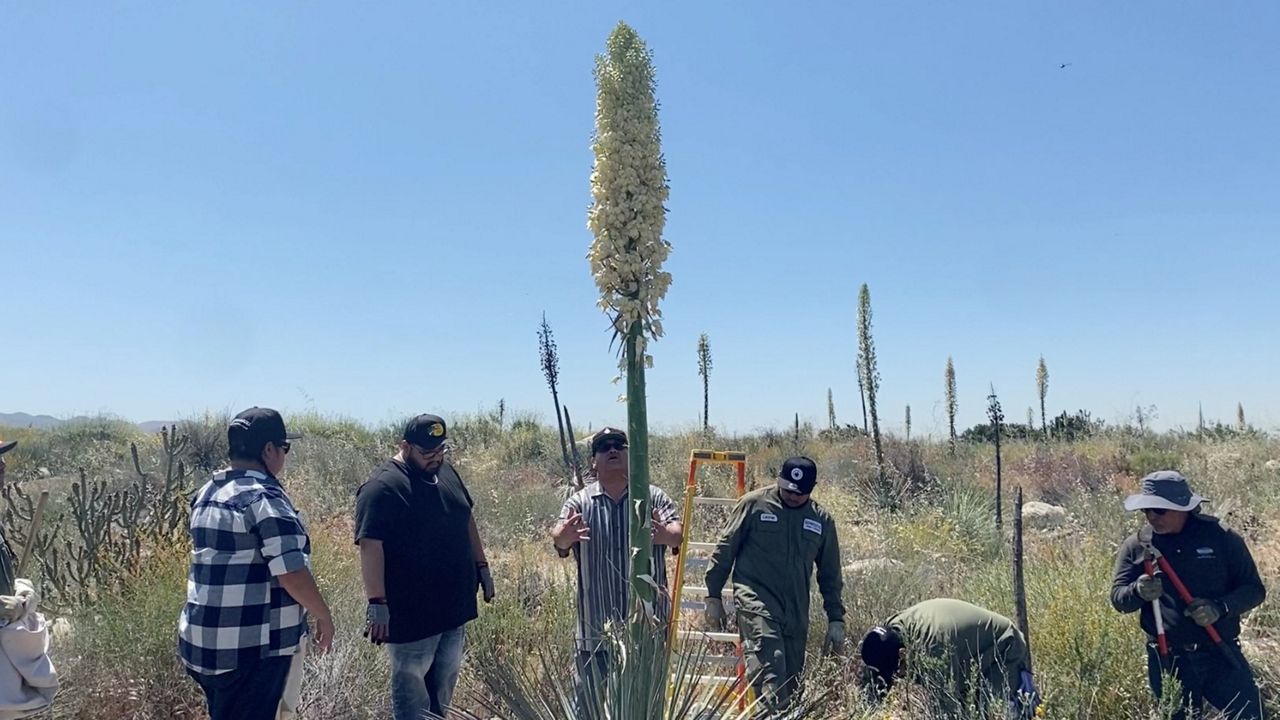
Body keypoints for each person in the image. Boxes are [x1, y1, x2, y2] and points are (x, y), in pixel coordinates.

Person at [178, 407, 334, 720]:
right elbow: (290, 572)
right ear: (268, 450)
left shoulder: (207, 493)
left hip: (204, 645)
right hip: (250, 652)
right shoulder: (264, 498)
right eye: (284, 447)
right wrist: (324, 615)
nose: (285, 455)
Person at [355, 413, 495, 720]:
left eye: (441, 450)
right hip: (412, 617)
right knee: (412, 699)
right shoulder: (383, 487)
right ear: (405, 446)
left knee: (441, 694)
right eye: (427, 452)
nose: (436, 458)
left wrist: (481, 565)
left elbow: (466, 516)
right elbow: (370, 545)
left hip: (454, 609)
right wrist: (377, 602)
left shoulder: (446, 472)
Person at [1111, 470, 1266, 720]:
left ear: (1183, 507)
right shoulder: (1138, 545)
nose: (1152, 517)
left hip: (1220, 654)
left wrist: (1220, 608)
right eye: (1146, 510)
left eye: (1159, 510)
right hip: (1168, 659)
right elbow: (1119, 599)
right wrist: (1137, 590)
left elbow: (1254, 589)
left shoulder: (1221, 537)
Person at [550, 427, 682, 710]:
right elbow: (559, 538)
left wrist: (665, 535)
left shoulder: (653, 498)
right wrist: (563, 536)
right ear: (593, 462)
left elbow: (676, 534)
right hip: (594, 628)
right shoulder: (579, 503)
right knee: (587, 707)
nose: (612, 450)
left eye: (619, 445)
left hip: (647, 628)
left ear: (630, 455)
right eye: (604, 447)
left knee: (645, 707)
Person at [703, 456, 845, 714]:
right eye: (787, 488)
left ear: (811, 489)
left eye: (799, 493)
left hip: (795, 612)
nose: (791, 496)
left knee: (791, 686)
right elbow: (725, 549)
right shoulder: (754, 505)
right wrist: (713, 596)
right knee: (771, 674)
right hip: (756, 601)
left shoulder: (821, 520)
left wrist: (836, 619)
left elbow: (831, 574)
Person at [859, 598, 1039, 718]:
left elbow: (947, 710)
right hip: (966, 654)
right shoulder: (890, 631)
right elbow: (873, 687)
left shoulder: (934, 648)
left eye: (897, 671)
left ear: (903, 654)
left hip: (1003, 648)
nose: (899, 677)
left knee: (995, 712)